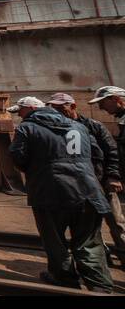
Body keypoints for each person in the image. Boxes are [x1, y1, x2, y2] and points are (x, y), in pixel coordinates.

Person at [8, 96, 114, 292]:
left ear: (31, 108)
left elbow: (18, 157)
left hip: (49, 192)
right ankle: (99, 287)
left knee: (54, 240)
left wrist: (38, 171)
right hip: (88, 192)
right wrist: (91, 179)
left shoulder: (27, 128)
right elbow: (97, 155)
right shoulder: (78, 126)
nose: (19, 115)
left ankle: (64, 280)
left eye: (20, 111)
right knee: (88, 243)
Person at [48, 93, 125, 255]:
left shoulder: (93, 126)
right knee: (87, 225)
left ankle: (123, 251)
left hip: (100, 182)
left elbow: (111, 151)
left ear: (73, 106)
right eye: (54, 109)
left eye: (61, 108)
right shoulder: (56, 129)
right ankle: (100, 255)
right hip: (76, 187)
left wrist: (113, 176)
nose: (58, 113)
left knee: (116, 222)